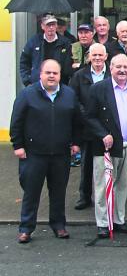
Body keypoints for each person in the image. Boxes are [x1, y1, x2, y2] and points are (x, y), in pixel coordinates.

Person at [10, 60, 81, 243]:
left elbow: (76, 121)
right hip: (33, 154)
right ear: (40, 74)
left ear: (59, 76)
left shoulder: (69, 95)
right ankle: (26, 228)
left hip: (60, 154)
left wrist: (75, 142)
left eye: (55, 73)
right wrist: (17, 145)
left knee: (58, 192)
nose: (51, 76)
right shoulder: (27, 94)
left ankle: (58, 225)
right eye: (48, 72)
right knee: (31, 192)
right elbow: (16, 121)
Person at [86, 54, 127, 238]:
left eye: (126, 67)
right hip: (107, 148)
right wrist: (103, 134)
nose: (122, 70)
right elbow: (89, 116)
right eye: (118, 67)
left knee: (123, 186)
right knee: (103, 186)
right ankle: (103, 223)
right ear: (110, 68)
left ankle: (119, 220)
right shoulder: (98, 89)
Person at [69, 43, 110, 211]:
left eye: (100, 55)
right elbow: (73, 99)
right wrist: (85, 115)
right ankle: (84, 196)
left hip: (108, 128)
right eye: (94, 55)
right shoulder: (79, 76)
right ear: (89, 57)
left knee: (108, 165)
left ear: (106, 57)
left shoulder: (112, 74)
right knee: (87, 165)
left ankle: (107, 196)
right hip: (86, 128)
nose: (98, 58)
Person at [19, 14, 73, 86]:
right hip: (37, 85)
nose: (51, 28)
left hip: (59, 85)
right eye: (48, 25)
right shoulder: (34, 41)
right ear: (42, 26)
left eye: (53, 24)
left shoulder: (65, 43)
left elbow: (68, 65)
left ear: (56, 26)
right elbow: (24, 62)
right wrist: (27, 81)